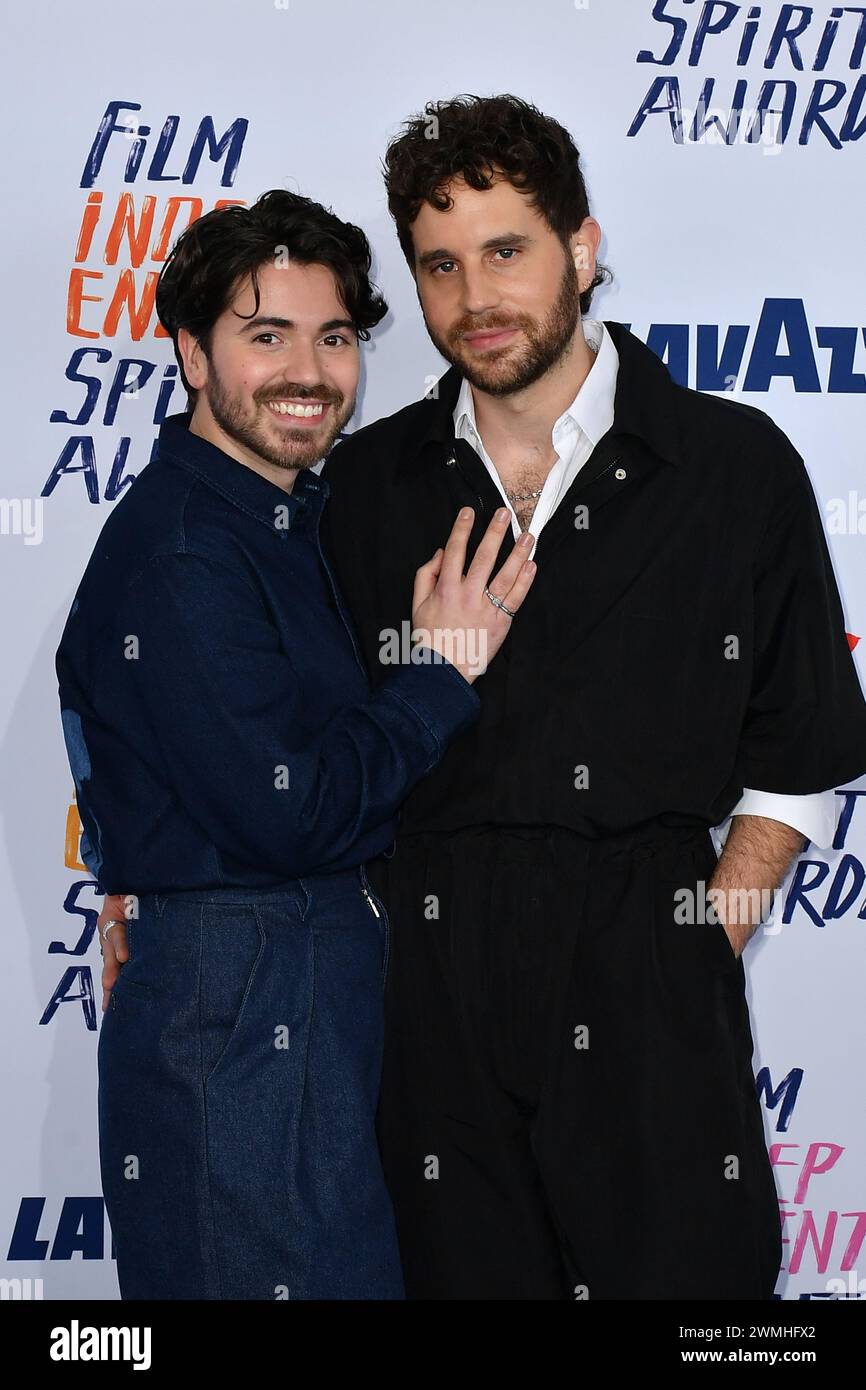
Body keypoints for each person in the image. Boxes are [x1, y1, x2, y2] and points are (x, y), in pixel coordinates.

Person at [315, 93, 866, 1299]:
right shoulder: (364, 485)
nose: (473, 299)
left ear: (582, 245)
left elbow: (803, 743)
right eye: (439, 265)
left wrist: (691, 939)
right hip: (434, 997)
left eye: (506, 250)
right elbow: (318, 751)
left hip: (647, 978)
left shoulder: (728, 465)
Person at [55, 188, 537, 1300]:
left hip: (295, 1001)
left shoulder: (280, 517)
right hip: (240, 1018)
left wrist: (133, 874)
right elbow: (287, 810)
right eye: (264, 335)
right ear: (188, 353)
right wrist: (439, 669)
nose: (307, 372)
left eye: (331, 338)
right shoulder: (185, 552)